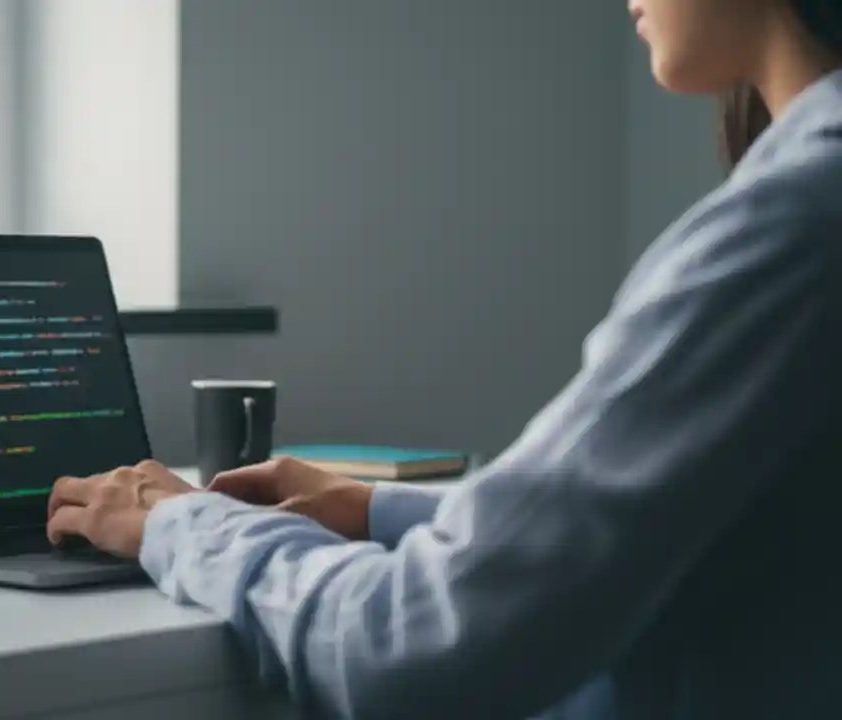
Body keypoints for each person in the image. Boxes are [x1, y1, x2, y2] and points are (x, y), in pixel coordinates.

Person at [46, 0, 842, 717]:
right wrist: (381, 511)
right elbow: (722, 536)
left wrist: (185, 527)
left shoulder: (793, 225)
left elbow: (411, 650)